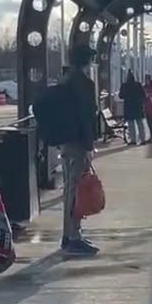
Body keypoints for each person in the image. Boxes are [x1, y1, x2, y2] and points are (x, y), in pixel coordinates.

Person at [60, 45, 100, 256]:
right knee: (76, 189)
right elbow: (86, 117)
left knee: (69, 189)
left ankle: (68, 236)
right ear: (87, 61)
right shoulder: (83, 83)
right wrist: (88, 145)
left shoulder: (65, 80)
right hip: (77, 144)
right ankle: (74, 238)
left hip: (65, 142)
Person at [119, 70, 147, 146]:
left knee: (131, 124)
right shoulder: (138, 85)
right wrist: (142, 103)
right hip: (138, 106)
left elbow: (121, 96)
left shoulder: (124, 85)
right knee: (140, 123)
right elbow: (143, 95)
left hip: (129, 107)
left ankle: (133, 140)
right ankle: (143, 139)